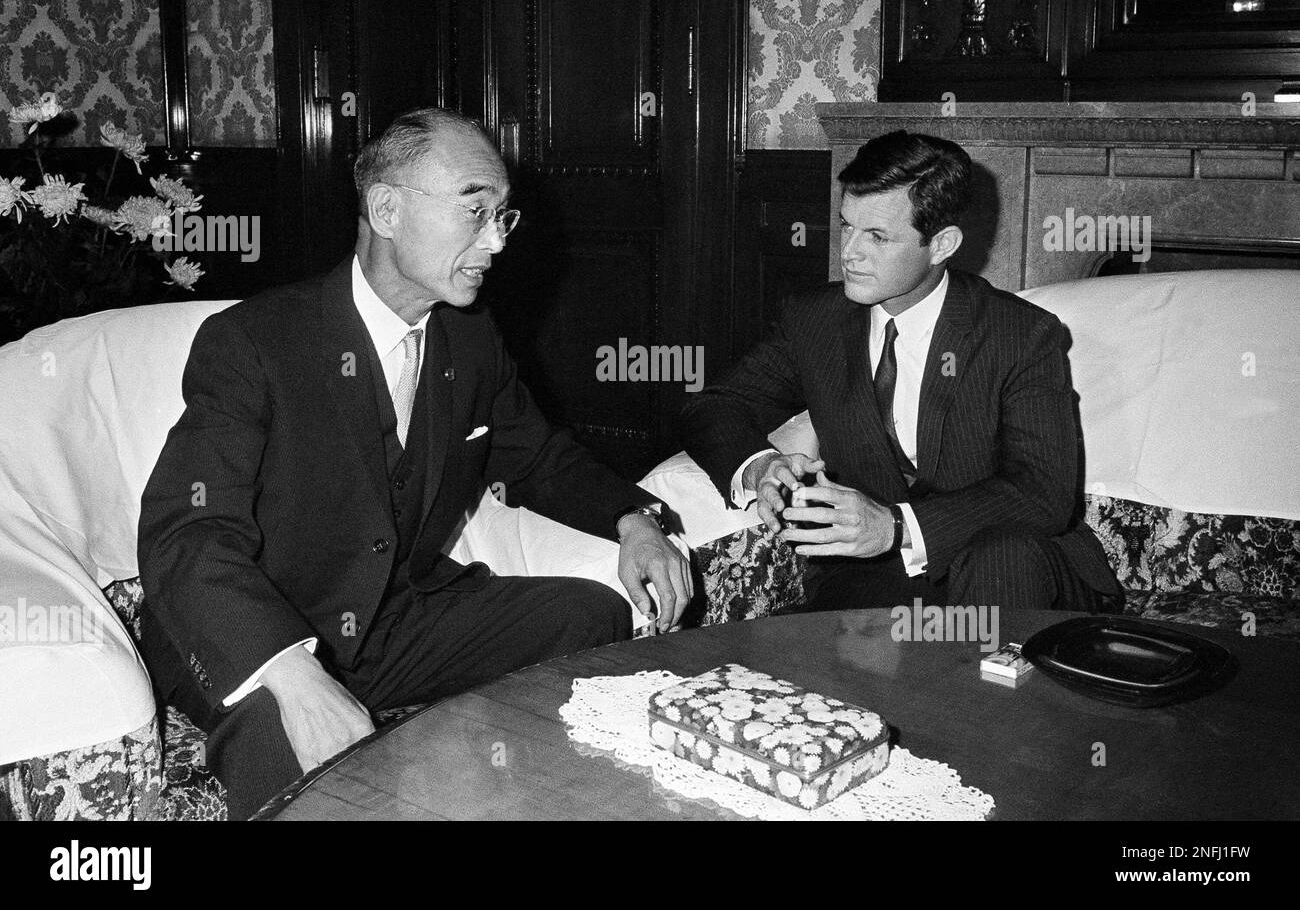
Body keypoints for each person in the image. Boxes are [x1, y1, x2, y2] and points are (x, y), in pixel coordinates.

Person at [138, 107, 691, 819]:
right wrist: (294, 672)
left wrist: (633, 520)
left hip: (394, 621)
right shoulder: (252, 342)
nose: (496, 239)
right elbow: (188, 531)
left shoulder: (470, 335)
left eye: (503, 215)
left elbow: (539, 456)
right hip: (265, 629)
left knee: (588, 614)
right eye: (475, 210)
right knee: (286, 746)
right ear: (387, 208)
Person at [681, 129, 1121, 614]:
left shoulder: (1020, 334)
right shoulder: (813, 321)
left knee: (1002, 558)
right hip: (878, 582)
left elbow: (1043, 492)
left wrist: (895, 526)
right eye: (847, 226)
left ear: (941, 245)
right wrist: (762, 465)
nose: (849, 252)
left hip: (1017, 572)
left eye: (878, 237)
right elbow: (714, 405)